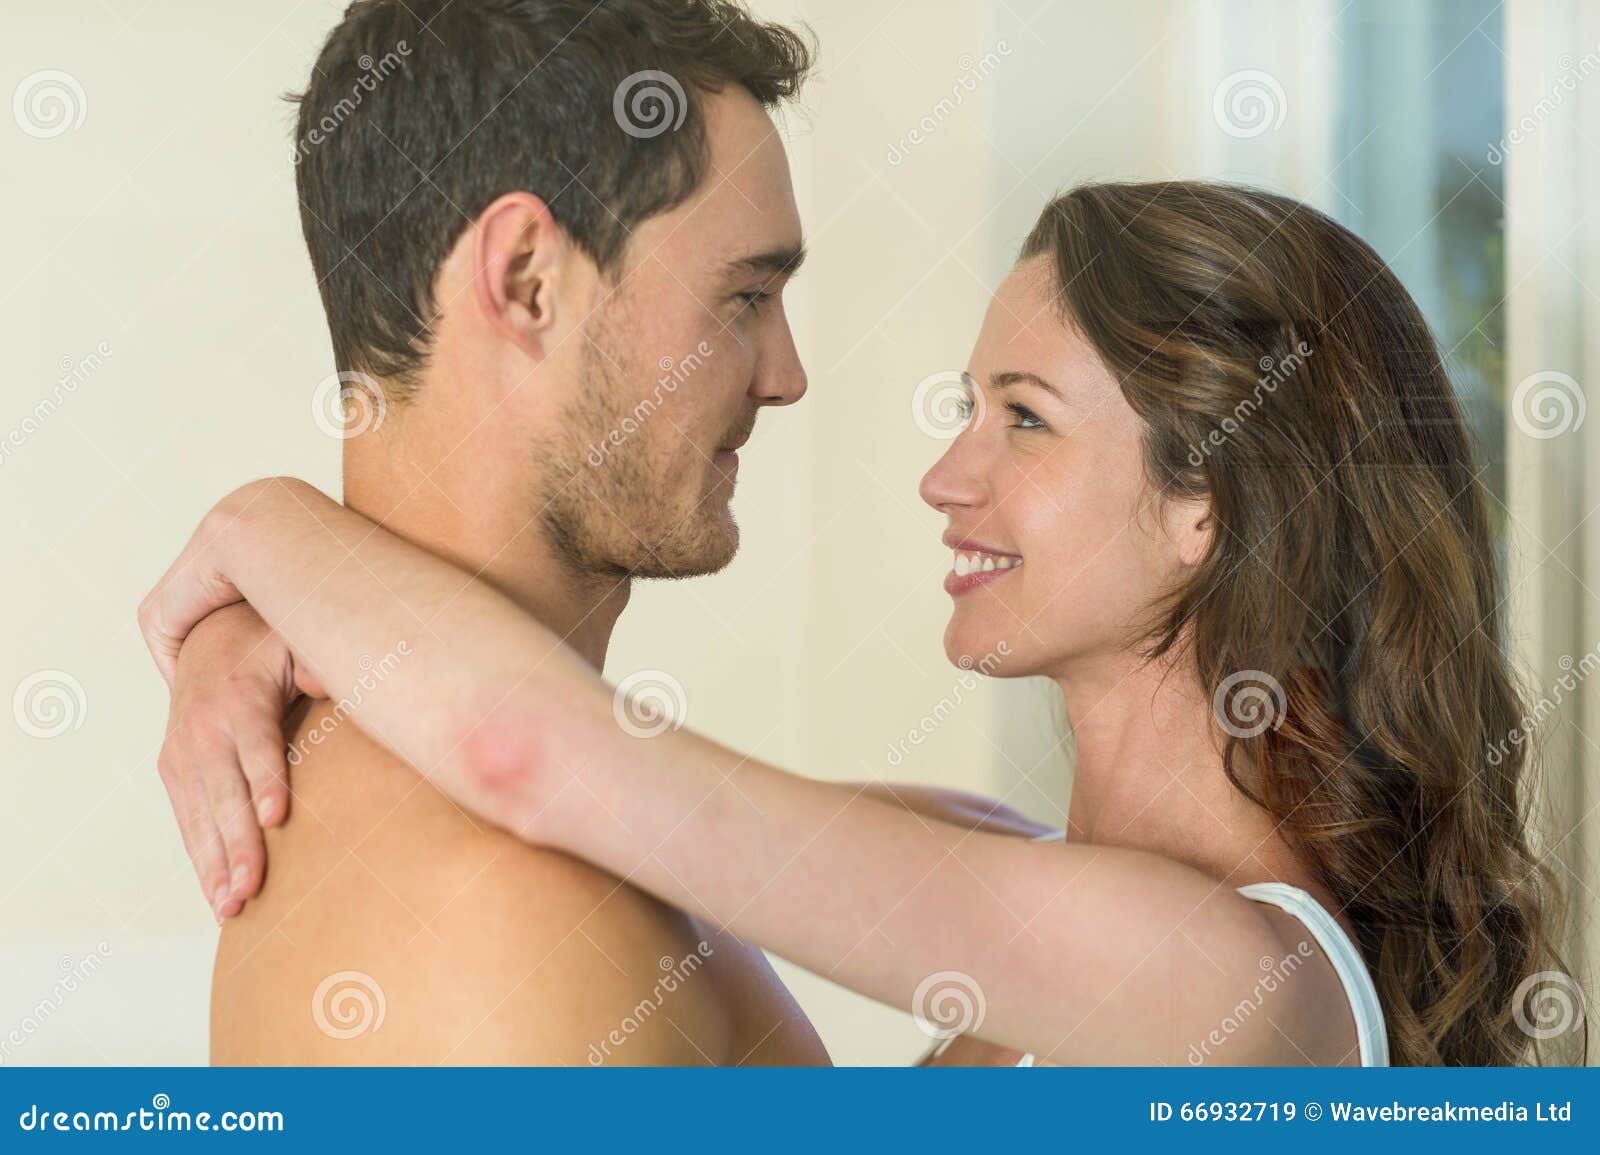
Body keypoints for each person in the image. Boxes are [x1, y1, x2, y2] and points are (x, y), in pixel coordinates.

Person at [146, 180, 1574, 1066]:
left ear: (1207, 499)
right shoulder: (1006, 863)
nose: (947, 476)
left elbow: (547, 759)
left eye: (1023, 418)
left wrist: (262, 529)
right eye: (968, 413)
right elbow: (594, 814)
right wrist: (245, 637)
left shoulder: (1236, 983)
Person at [172, 0, 852, 1065]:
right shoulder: (516, 924)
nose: (785, 375)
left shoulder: (560, 840)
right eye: (745, 295)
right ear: (525, 278)